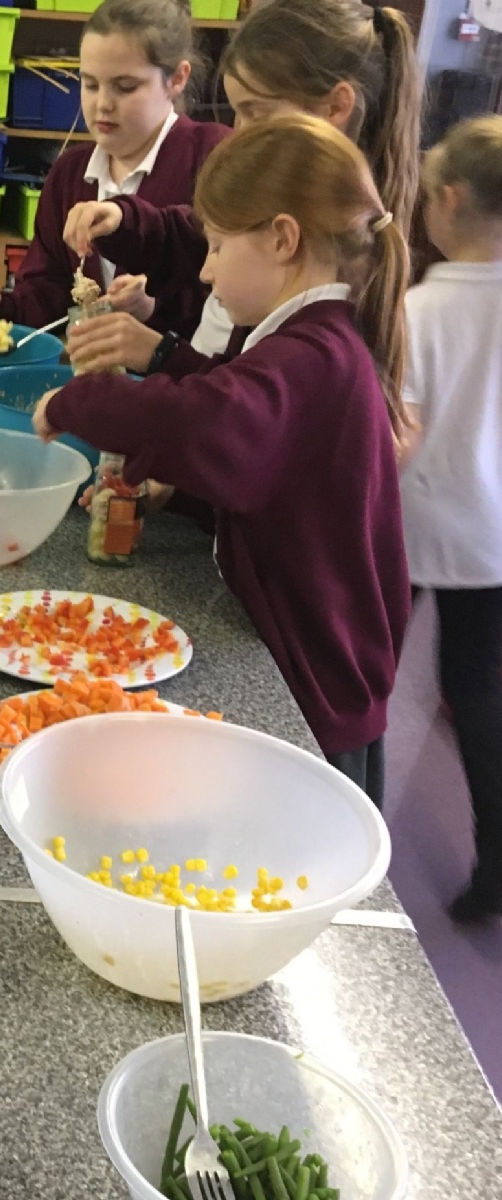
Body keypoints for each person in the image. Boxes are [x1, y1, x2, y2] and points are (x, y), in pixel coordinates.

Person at [34, 116, 411, 805]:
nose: (205, 270)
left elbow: (211, 419)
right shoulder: (308, 339)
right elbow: (268, 465)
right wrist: (175, 492)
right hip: (306, 656)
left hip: (314, 689)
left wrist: (78, 402)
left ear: (283, 239)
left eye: (215, 246)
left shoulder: (312, 355)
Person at [64, 0, 422, 376]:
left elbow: (244, 398)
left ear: (334, 107)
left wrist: (148, 365)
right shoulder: (283, 201)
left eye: (256, 113)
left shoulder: (329, 283)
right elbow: (191, 236)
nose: (238, 133)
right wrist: (124, 220)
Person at [0, 0, 228, 338]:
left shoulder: (214, 155)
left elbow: (234, 298)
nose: (102, 104)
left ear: (176, 78)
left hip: (184, 367)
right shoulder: (69, 172)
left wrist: (155, 308)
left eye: (125, 87)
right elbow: (48, 294)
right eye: (89, 84)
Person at [399, 116, 502, 923]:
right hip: (492, 538)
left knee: (369, 674)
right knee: (477, 689)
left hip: (415, 529)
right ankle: (496, 861)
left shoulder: (420, 309)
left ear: (451, 199)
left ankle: (347, 810)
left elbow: (399, 434)